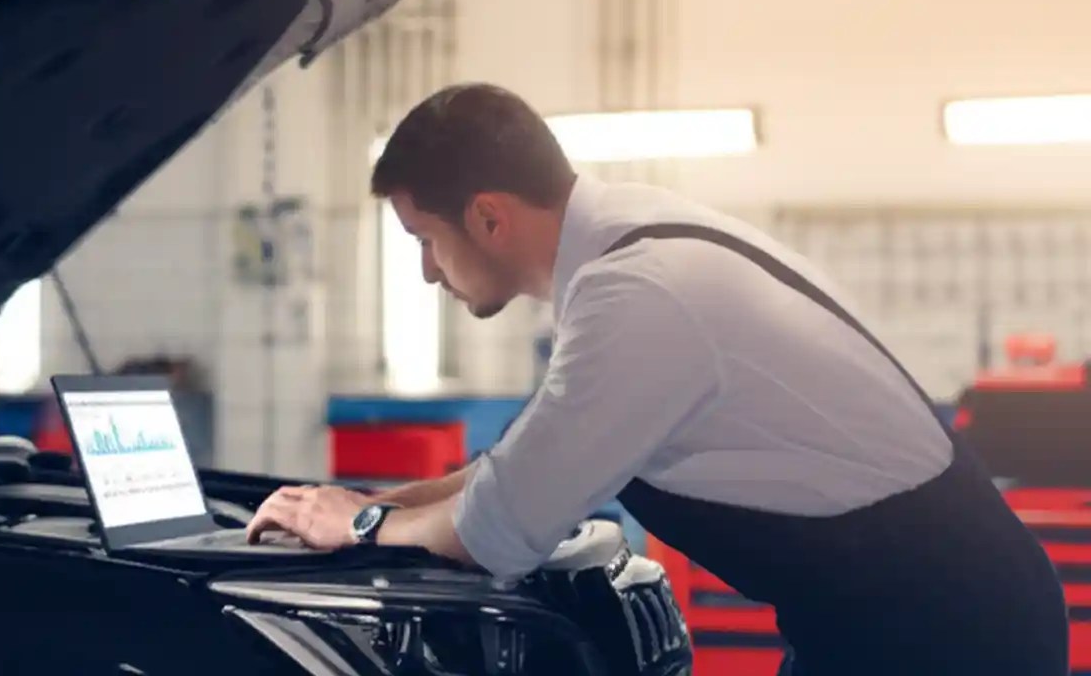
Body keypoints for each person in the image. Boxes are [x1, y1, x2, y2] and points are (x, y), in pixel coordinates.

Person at [247, 83, 1069, 675]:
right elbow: (531, 465)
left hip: (947, 637)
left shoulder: (636, 296)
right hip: (903, 618)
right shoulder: (632, 246)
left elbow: (502, 526)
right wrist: (383, 505)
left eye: (425, 239)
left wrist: (352, 531)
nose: (427, 272)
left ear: (489, 217)